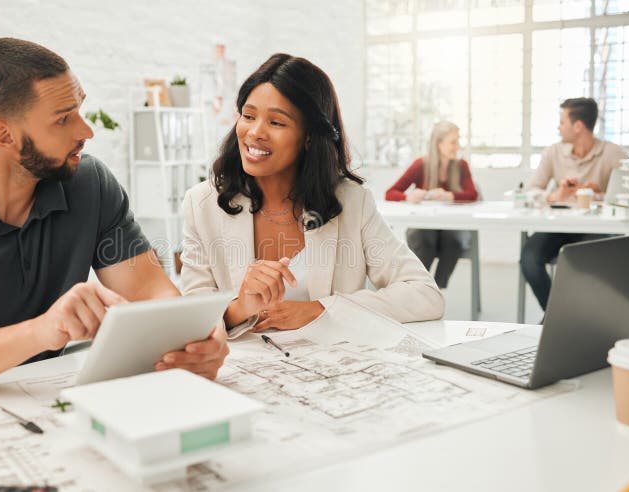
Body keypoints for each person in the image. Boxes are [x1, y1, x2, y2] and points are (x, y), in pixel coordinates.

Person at [0, 38, 228, 397]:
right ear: (3, 136)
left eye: (79, 108)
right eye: (63, 120)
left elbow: (150, 292)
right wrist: (41, 332)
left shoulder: (89, 184)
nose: (86, 130)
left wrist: (193, 337)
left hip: (44, 401)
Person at [180, 53, 443, 333]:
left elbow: (425, 294)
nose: (255, 132)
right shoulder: (202, 204)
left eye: (276, 122)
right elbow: (191, 317)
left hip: (330, 369)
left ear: (309, 136)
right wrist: (239, 307)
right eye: (248, 116)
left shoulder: (352, 202)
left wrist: (320, 310)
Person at [521, 97, 627, 311]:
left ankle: (584, 317)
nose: (558, 128)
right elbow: (530, 192)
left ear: (578, 126)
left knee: (587, 264)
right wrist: (555, 195)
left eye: (562, 123)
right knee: (529, 259)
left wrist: (599, 194)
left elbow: (628, 196)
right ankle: (556, 314)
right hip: (557, 227)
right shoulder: (553, 153)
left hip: (595, 229)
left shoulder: (611, 153)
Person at [385, 121, 479, 288]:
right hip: (424, 226)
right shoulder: (420, 165)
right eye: (453, 142)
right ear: (438, 144)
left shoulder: (461, 166)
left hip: (451, 226)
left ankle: (437, 289)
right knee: (424, 239)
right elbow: (391, 192)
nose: (457, 146)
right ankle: (421, 288)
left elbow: (473, 194)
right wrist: (408, 197)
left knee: (454, 240)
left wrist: (449, 195)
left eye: (458, 141)